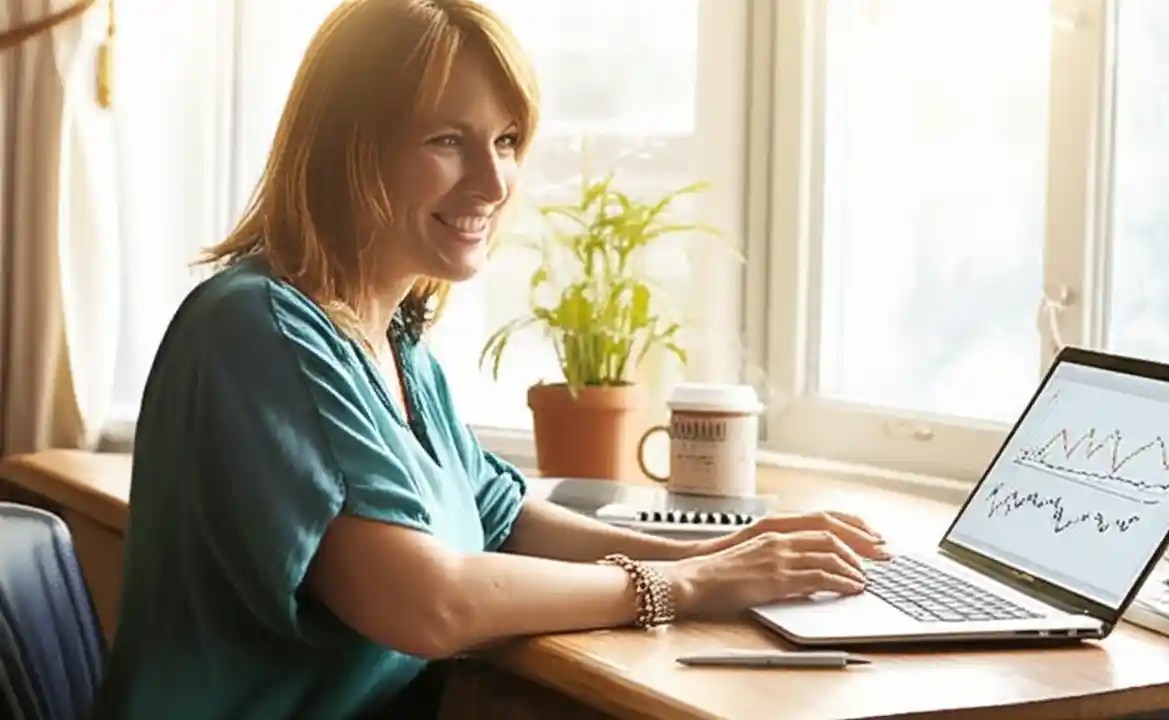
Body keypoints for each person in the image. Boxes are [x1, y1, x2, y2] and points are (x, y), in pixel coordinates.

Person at [92, 1, 890, 718]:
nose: (494, 180)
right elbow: (427, 603)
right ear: (346, 149)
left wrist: (727, 555)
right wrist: (689, 587)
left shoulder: (394, 341)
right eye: (448, 141)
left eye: (507, 141)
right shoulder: (257, 329)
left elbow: (501, 522)